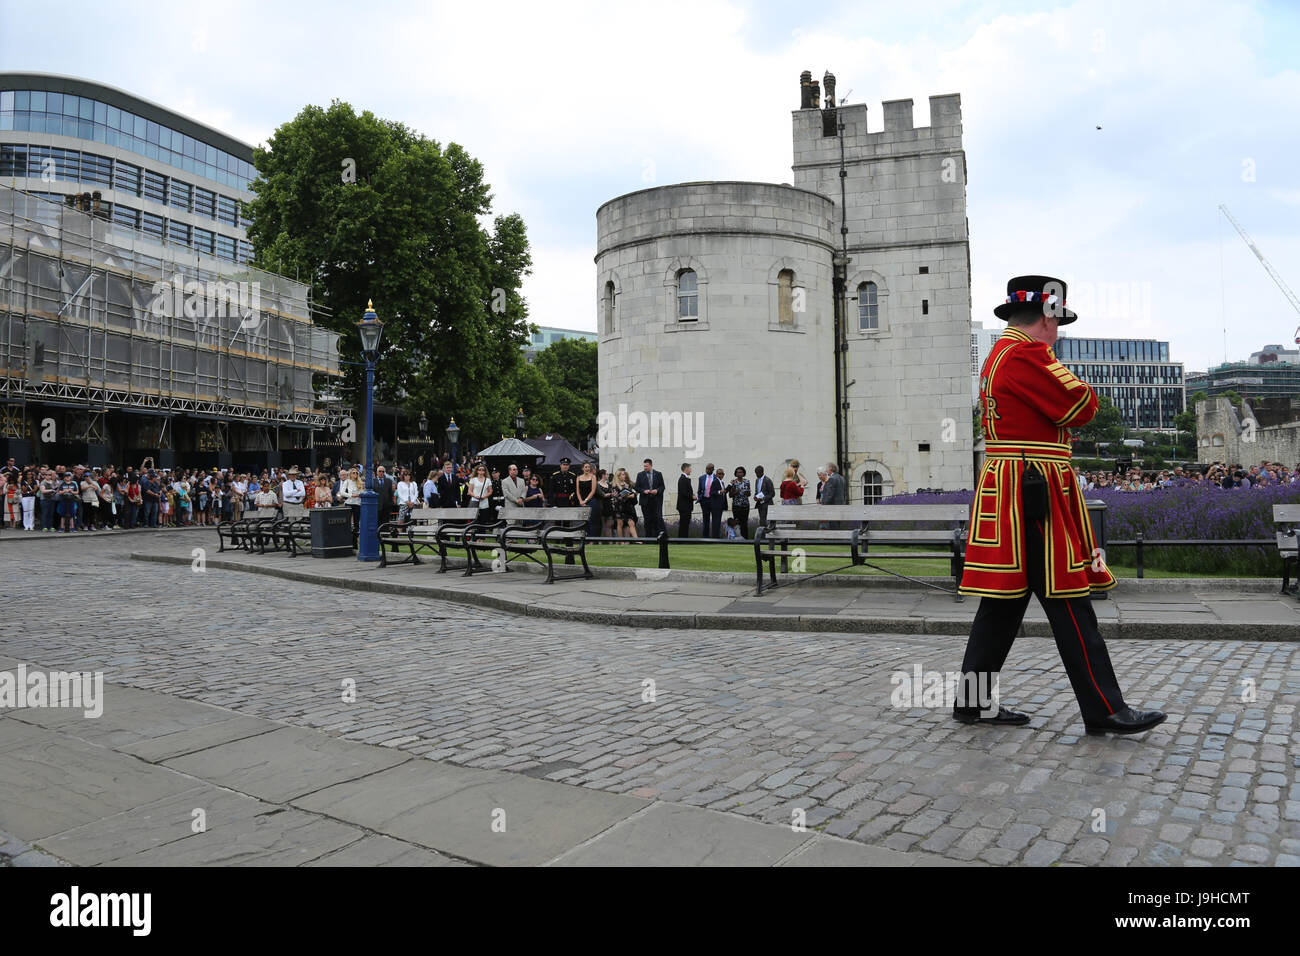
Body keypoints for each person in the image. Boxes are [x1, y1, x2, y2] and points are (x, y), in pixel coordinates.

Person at [955, 275, 1166, 736]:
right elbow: (1080, 405)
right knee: (1068, 596)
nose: (1059, 333)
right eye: (1058, 322)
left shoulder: (997, 354)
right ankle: (1104, 709)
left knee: (1002, 605)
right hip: (1035, 488)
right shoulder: (1028, 353)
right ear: (1046, 321)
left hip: (1010, 487)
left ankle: (971, 704)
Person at [635, 458, 665, 537]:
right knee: (647, 520)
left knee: (657, 519)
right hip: (645, 501)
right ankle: (648, 539)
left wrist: (657, 490)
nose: (645, 468)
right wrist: (643, 491)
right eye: (644, 466)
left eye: (646, 466)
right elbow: (637, 487)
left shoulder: (658, 474)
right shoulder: (640, 475)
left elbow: (662, 487)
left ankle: (658, 537)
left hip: (656, 501)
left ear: (651, 465)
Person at [696, 463, 726, 539]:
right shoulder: (701, 478)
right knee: (705, 520)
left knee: (715, 520)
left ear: (713, 469)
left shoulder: (717, 478)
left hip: (714, 501)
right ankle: (705, 537)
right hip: (705, 500)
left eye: (709, 469)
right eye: (706, 468)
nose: (707, 470)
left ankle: (714, 537)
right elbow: (699, 490)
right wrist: (700, 499)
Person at [613, 467, 638, 540]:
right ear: (619, 476)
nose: (625, 476)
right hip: (619, 507)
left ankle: (637, 540)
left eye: (624, 474)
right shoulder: (615, 485)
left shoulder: (628, 484)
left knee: (631, 523)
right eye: (623, 475)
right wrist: (628, 496)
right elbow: (617, 497)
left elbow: (634, 493)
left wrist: (632, 495)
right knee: (620, 524)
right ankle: (621, 541)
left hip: (628, 507)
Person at [727, 467, 752, 539]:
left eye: (741, 472)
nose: (740, 473)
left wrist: (747, 492)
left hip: (745, 505)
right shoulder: (733, 482)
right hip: (736, 506)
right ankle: (737, 538)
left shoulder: (747, 481)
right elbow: (730, 495)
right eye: (738, 472)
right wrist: (736, 492)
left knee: (744, 523)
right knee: (737, 522)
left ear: (743, 473)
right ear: (736, 474)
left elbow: (749, 494)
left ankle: (745, 538)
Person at [576, 461, 599, 534]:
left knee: (592, 521)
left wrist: (585, 500)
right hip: (581, 501)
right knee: (583, 521)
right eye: (586, 467)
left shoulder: (593, 477)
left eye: (588, 467)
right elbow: (578, 491)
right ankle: (584, 538)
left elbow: (593, 491)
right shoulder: (578, 478)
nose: (587, 468)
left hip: (591, 501)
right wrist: (580, 501)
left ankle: (592, 540)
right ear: (582, 468)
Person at [752, 465, 774, 529]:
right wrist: (755, 497)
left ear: (762, 472)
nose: (756, 474)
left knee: (770, 522)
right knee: (762, 521)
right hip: (760, 504)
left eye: (757, 473)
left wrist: (763, 498)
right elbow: (757, 491)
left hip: (767, 504)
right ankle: (762, 536)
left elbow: (772, 493)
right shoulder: (757, 480)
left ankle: (769, 537)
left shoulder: (767, 480)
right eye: (755, 473)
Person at [675, 463, 694, 538]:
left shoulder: (685, 478)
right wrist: (692, 497)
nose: (691, 470)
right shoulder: (683, 479)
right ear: (686, 469)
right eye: (690, 468)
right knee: (684, 524)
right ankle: (682, 540)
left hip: (686, 506)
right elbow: (684, 492)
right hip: (684, 506)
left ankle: (684, 539)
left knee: (685, 524)